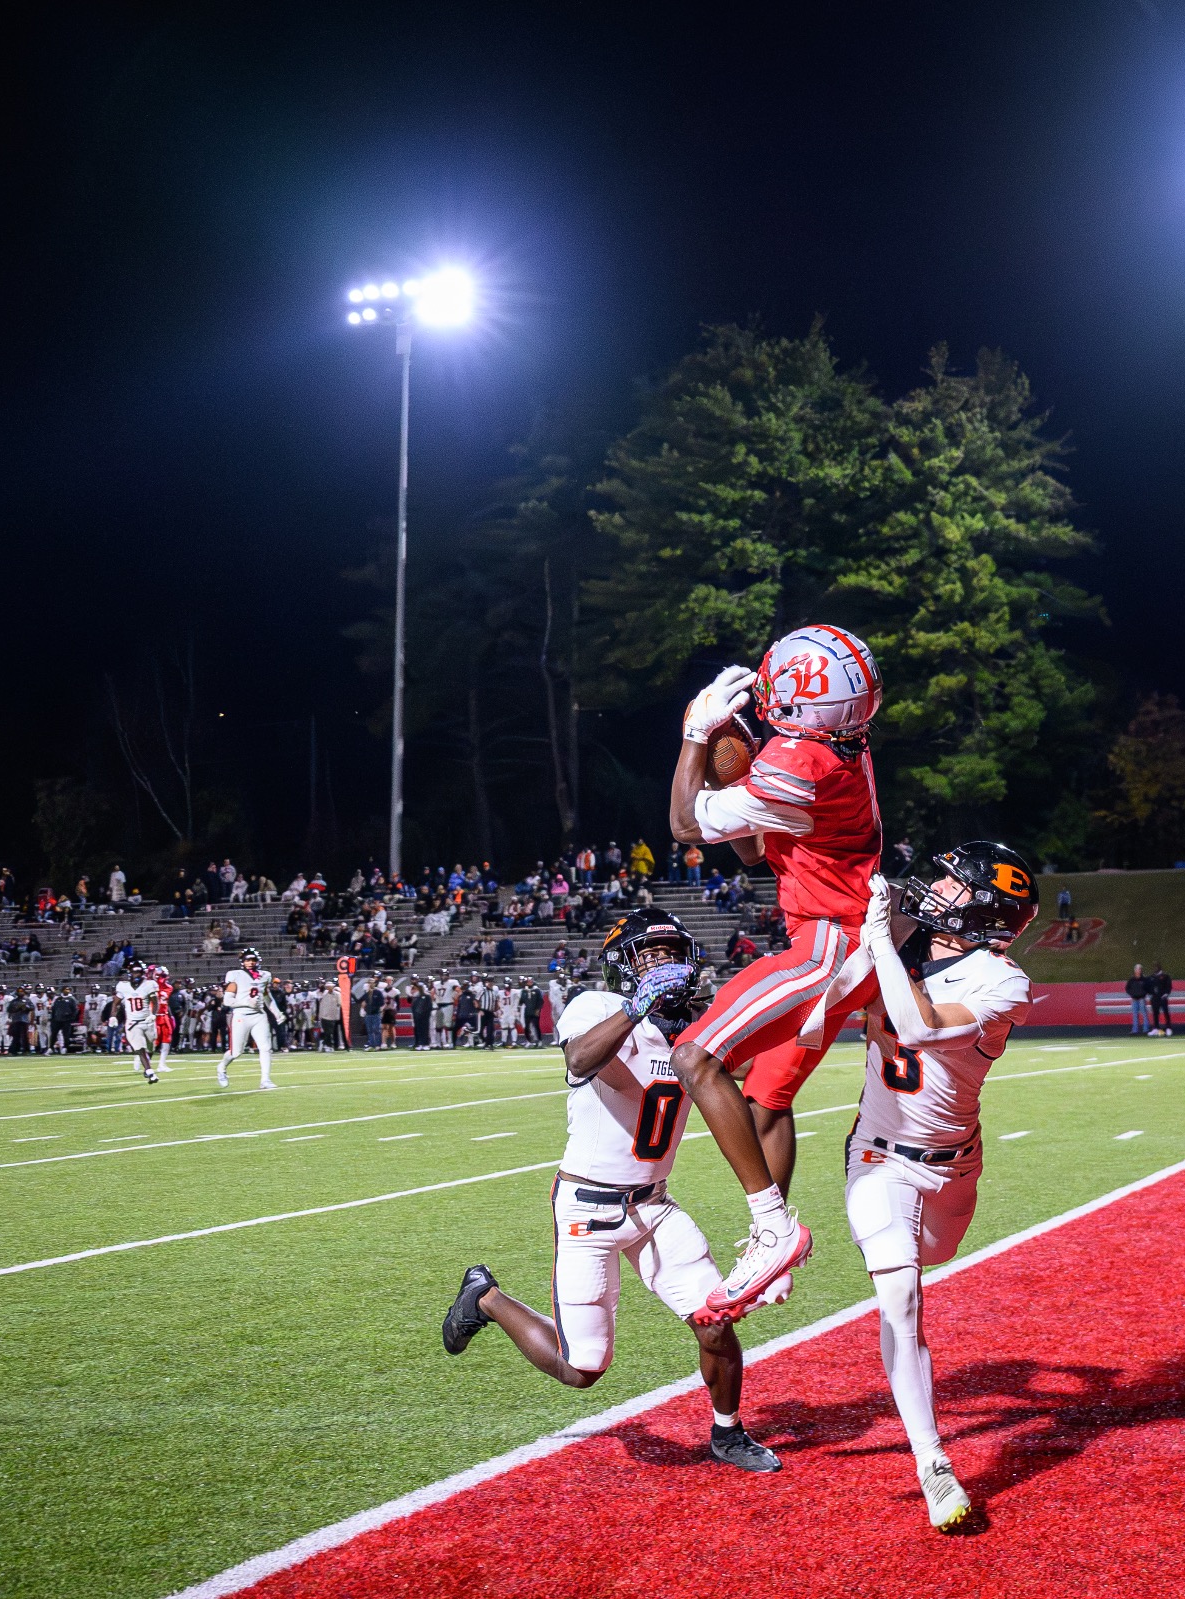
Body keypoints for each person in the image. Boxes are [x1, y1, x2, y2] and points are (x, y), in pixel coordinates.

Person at [439, 907, 783, 1475]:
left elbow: (752, 1089)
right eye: (648, 958)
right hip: (588, 1209)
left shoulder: (698, 1029)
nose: (663, 966)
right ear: (623, 968)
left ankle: (727, 1433)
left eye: (671, 955)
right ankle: (486, 1299)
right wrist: (636, 1006)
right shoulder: (597, 1007)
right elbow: (579, 1059)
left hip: (655, 1205)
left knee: (717, 1319)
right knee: (583, 1370)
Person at [664, 626, 885, 1317]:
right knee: (766, 1098)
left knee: (694, 1055)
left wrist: (696, 738)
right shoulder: (843, 745)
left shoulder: (800, 764)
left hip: (828, 946)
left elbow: (682, 824)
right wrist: (743, 770)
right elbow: (759, 851)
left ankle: (772, 1228)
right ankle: (775, 1243)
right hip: (855, 944)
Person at [847, 845, 1036, 1531]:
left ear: (987, 908)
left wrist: (879, 942)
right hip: (878, 1156)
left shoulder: (1003, 980)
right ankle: (933, 1461)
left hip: (953, 1166)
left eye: (957, 883)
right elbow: (826, 1002)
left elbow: (921, 1025)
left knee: (932, 1257)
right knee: (901, 1297)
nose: (938, 887)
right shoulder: (906, 934)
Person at [218, 948, 279, 1090]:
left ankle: (265, 1080)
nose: (250, 962)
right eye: (247, 960)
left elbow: (266, 997)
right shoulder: (235, 975)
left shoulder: (265, 975)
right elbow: (227, 1001)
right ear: (242, 961)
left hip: (259, 1014)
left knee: (265, 1048)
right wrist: (246, 1003)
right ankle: (221, 1068)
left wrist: (277, 1012)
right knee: (236, 1052)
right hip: (241, 1015)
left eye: (253, 960)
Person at [1147, 963, 1174, 1037]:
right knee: (1155, 1013)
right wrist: (1151, 994)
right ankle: (1156, 1028)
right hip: (1155, 998)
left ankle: (1168, 1028)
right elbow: (1148, 987)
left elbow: (1169, 986)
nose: (1155, 969)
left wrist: (1165, 994)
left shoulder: (1165, 976)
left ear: (1160, 968)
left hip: (1163, 997)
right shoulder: (1151, 977)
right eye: (1154, 967)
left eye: (1156, 967)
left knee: (1165, 1012)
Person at [316, 981, 343, 1051]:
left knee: (330, 1031)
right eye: (327, 986)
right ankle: (328, 1045)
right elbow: (319, 999)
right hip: (324, 1015)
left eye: (330, 986)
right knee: (326, 1031)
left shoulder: (337, 994)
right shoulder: (323, 994)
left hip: (332, 1016)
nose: (328, 988)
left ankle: (326, 1044)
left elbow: (339, 1004)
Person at [1124, 965, 1149, 1035]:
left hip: (1141, 999)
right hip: (1134, 999)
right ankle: (1135, 1030)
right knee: (1135, 1015)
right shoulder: (1131, 979)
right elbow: (1127, 988)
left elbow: (1147, 988)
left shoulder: (1144, 979)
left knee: (1144, 1014)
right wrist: (1132, 995)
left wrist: (1143, 994)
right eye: (1138, 969)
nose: (1139, 971)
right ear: (1135, 970)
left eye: (1140, 969)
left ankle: (1146, 1030)